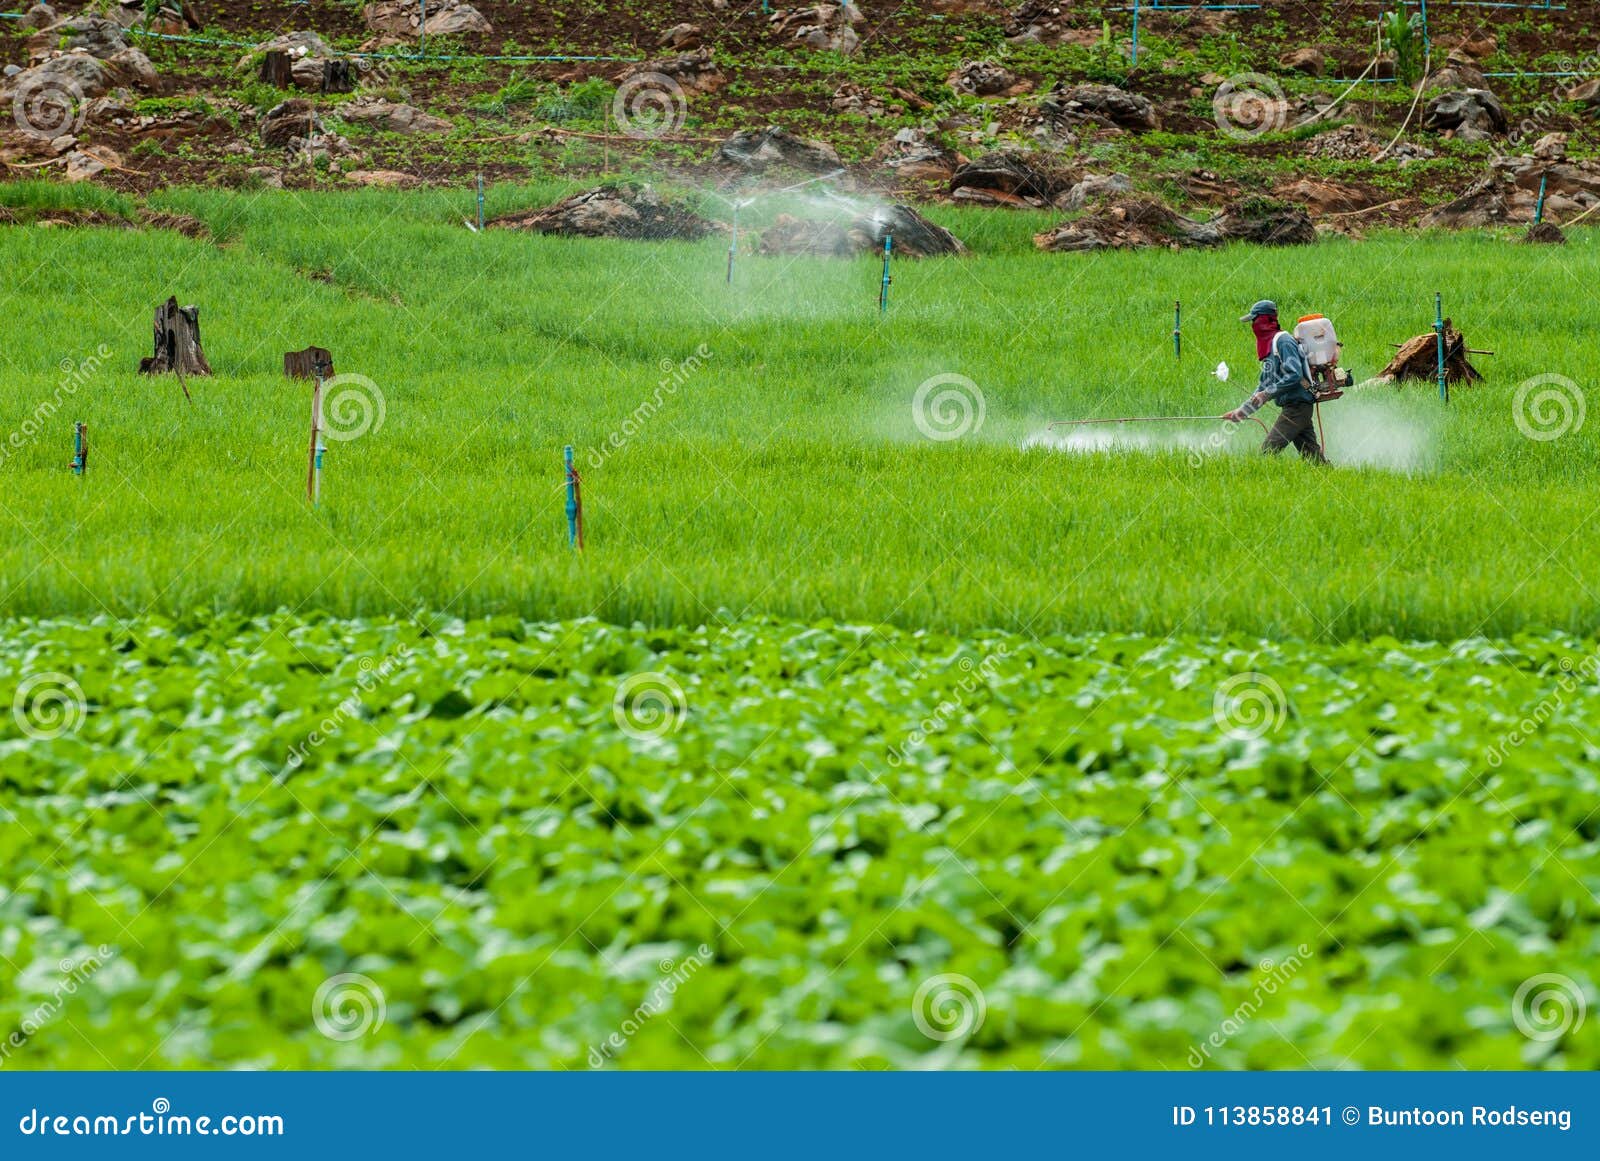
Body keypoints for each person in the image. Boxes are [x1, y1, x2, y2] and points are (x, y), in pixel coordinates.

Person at [1224, 300, 1326, 462]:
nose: (1253, 326)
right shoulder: (1270, 348)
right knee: (1313, 459)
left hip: (1297, 407)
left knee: (1267, 453)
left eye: (1254, 320)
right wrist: (1242, 411)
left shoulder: (1283, 342)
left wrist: (1267, 394)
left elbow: (1294, 375)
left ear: (1264, 320)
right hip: (1295, 407)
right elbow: (1263, 386)